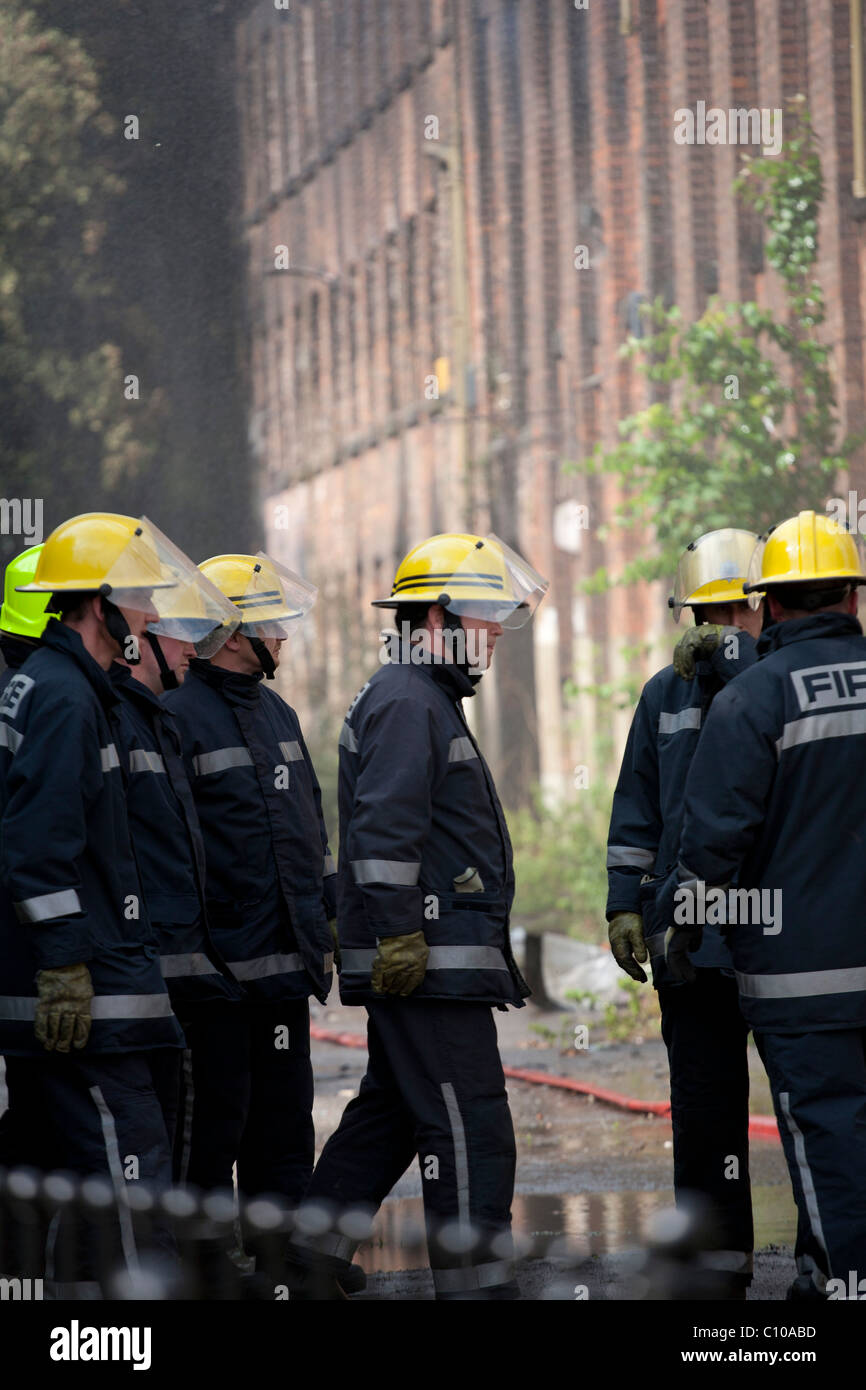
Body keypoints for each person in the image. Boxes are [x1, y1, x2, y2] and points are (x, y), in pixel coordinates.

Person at [287, 532, 548, 1300]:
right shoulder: (408, 700)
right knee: (470, 1127)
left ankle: (304, 1252)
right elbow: (382, 829)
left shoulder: (414, 695)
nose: (494, 631)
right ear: (434, 619)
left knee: (395, 1110)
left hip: (427, 955)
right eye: (481, 615)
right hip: (427, 961)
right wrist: (402, 932)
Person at [661, 510, 866, 1300]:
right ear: (851, 597)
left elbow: (712, 845)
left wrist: (687, 922)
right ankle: (823, 1275)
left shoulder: (753, 701)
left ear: (771, 604)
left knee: (829, 1140)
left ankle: (845, 1284)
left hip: (801, 979)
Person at [0, 513, 186, 1296]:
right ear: (98, 605)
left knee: (55, 1182)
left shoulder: (67, 686)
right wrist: (67, 963)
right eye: (139, 598)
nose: (150, 614)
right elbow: (37, 847)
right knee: (126, 1172)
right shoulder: (67, 697)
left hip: (86, 983)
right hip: (88, 995)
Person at [164, 552, 336, 1276]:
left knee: (284, 1124)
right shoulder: (177, 716)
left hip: (283, 967)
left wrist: (324, 917)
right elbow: (176, 848)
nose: (286, 636)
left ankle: (282, 1256)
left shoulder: (278, 713)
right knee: (215, 1126)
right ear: (232, 631)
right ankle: (205, 1265)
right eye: (274, 623)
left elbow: (307, 827)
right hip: (219, 976)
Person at [606, 529, 762, 1298]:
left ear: (765, 606)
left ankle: (829, 1271)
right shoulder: (663, 695)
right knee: (704, 1123)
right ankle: (715, 1277)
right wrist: (622, 906)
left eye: (735, 609)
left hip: (775, 939)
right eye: (706, 610)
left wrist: (741, 663)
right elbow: (637, 808)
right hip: (689, 945)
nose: (718, 626)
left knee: (816, 1111)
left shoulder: (777, 682)